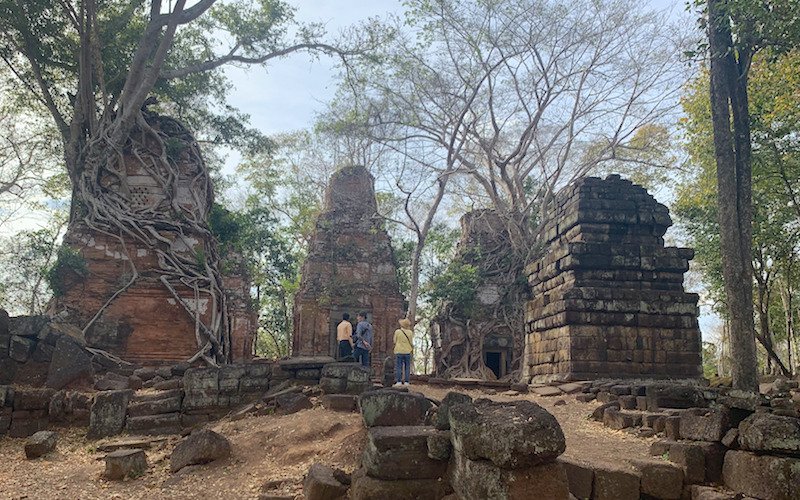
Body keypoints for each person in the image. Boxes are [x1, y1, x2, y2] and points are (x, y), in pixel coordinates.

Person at [393, 318, 413, 387]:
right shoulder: (410, 332)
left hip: (399, 351)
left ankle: (399, 381)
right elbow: (411, 342)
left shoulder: (397, 331)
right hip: (407, 351)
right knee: (407, 367)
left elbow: (394, 341)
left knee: (399, 366)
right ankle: (407, 382)